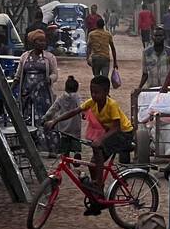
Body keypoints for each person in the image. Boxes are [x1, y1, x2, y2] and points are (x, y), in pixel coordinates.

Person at [49, 75, 135, 215]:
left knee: (97, 147)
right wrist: (55, 120)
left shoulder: (111, 104)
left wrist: (100, 140)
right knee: (93, 163)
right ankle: (97, 199)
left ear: (106, 91)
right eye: (92, 92)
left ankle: (99, 186)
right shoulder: (92, 103)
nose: (94, 95)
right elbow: (74, 111)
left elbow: (116, 128)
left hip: (124, 134)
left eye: (97, 92)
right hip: (112, 134)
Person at [14, 29, 58, 132]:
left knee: (43, 116)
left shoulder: (50, 57)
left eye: (44, 41)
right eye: (40, 41)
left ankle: (43, 139)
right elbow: (18, 75)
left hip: (43, 93)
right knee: (27, 116)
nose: (43, 43)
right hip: (27, 93)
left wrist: (50, 79)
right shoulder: (24, 56)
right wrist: (11, 88)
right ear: (33, 42)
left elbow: (55, 74)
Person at [43, 75, 83, 156]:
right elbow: (82, 107)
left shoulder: (60, 98)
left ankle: (66, 162)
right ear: (76, 88)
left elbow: (52, 109)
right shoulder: (77, 98)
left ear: (65, 88)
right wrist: (84, 115)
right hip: (75, 127)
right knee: (75, 141)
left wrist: (45, 118)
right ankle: (76, 153)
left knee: (65, 149)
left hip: (63, 128)